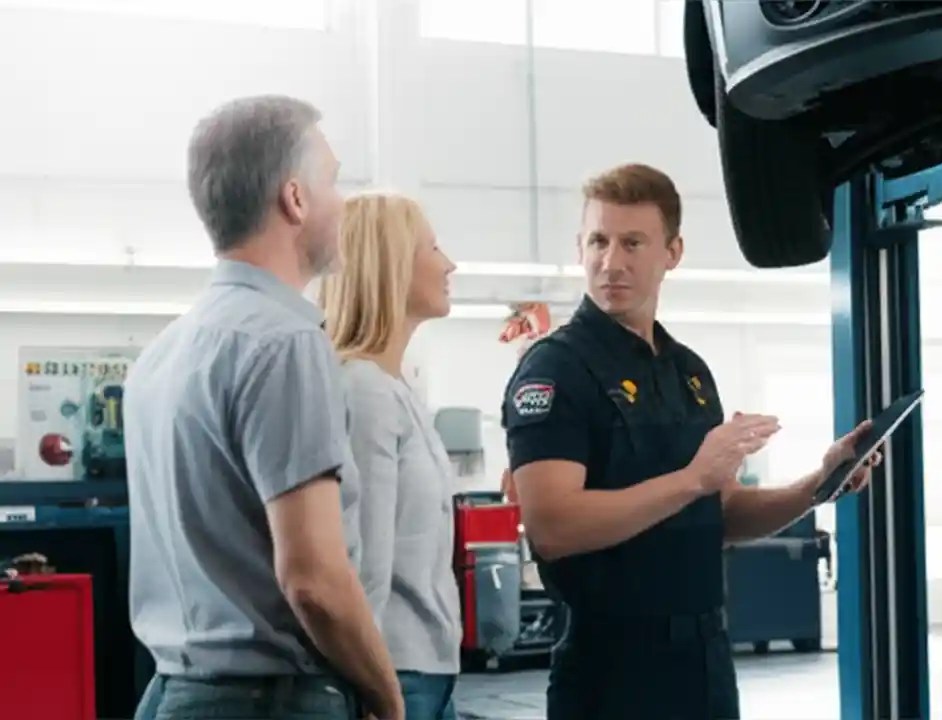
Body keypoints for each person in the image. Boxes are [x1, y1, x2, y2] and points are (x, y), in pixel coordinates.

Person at [500, 162, 883, 720]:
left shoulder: (689, 374)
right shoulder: (557, 369)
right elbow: (553, 527)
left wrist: (817, 486)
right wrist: (690, 479)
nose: (611, 262)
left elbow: (721, 511)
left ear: (672, 253)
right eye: (598, 241)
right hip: (610, 672)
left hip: (704, 663)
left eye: (633, 243)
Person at [125, 96, 403, 720]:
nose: (343, 204)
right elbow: (314, 580)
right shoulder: (285, 342)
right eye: (333, 181)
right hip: (269, 700)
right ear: (295, 199)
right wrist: (388, 696)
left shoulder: (163, 354)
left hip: (172, 692)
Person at [316, 192, 464, 719]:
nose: (449, 264)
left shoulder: (395, 388)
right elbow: (363, 569)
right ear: (392, 265)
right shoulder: (363, 391)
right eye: (433, 247)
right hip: (395, 675)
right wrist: (376, 691)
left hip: (428, 671)